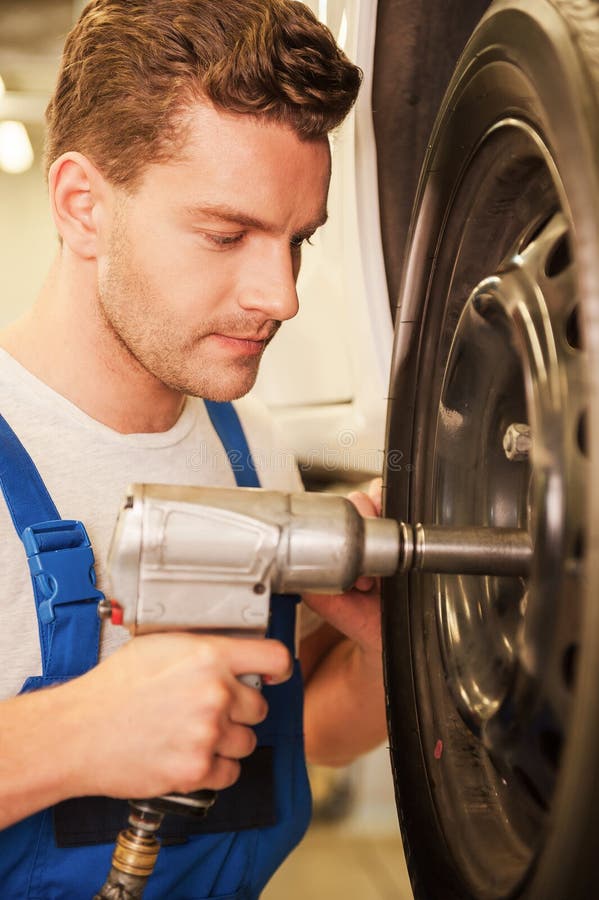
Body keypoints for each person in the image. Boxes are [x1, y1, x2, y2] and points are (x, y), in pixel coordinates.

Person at [0, 1, 387, 896]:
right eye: (227, 234)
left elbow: (307, 733)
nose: (281, 295)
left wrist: (387, 646)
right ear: (82, 205)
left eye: (299, 241)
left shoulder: (254, 453)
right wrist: (70, 737)